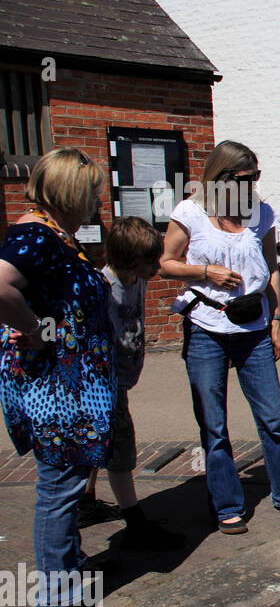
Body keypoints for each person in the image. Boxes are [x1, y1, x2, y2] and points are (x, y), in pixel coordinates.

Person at [161, 140, 280, 535]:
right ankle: (228, 505)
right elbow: (166, 264)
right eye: (246, 178)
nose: (254, 184)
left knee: (273, 416)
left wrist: (278, 320)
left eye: (257, 177)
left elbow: (271, 268)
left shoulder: (261, 214)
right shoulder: (191, 213)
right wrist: (205, 273)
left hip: (253, 327)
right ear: (221, 177)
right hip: (206, 327)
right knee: (214, 424)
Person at [0, 148, 119, 607]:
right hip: (57, 387)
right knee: (60, 487)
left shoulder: (53, 235)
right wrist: (31, 329)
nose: (96, 203)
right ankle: (57, 597)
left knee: (65, 483)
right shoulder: (35, 237)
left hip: (70, 384)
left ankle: (67, 569)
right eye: (92, 194)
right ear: (70, 192)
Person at [84, 217, 182, 550]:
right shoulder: (103, 288)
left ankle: (86, 501)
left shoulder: (135, 278)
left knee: (100, 443)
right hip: (102, 386)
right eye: (149, 261)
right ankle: (135, 520)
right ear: (129, 260)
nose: (156, 266)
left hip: (119, 381)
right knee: (121, 449)